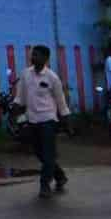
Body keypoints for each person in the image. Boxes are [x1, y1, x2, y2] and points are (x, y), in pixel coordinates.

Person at [13, 45, 71, 199]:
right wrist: (17, 113)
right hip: (32, 120)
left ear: (46, 58)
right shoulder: (25, 74)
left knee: (48, 154)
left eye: (37, 55)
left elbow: (61, 101)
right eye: (33, 55)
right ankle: (60, 176)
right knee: (41, 154)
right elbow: (20, 97)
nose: (33, 58)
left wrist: (66, 121)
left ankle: (44, 185)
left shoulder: (52, 77)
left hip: (48, 120)